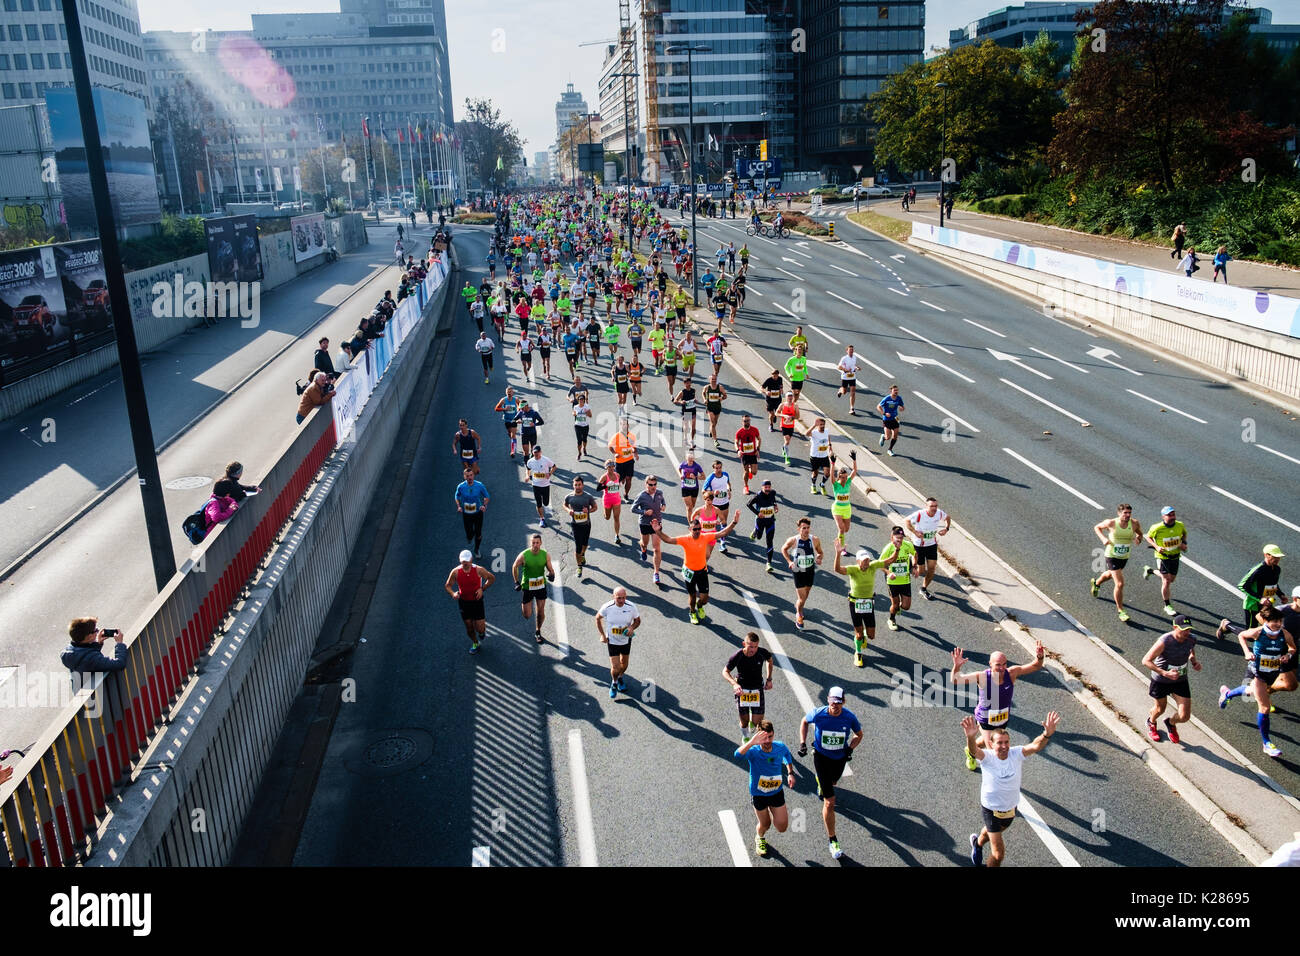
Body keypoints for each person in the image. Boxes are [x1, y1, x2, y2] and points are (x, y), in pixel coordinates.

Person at [964, 711, 1060, 867]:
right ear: (991, 744)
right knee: (998, 854)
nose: (1004, 746)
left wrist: (1046, 734)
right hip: (991, 809)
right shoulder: (987, 757)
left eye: (1006, 742)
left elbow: (1035, 745)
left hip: (1011, 807)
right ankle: (981, 848)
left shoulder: (1016, 753)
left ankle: (978, 844)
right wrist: (970, 737)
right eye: (999, 743)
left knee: (990, 833)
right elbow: (974, 751)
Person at [952, 642, 1045, 770]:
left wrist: (1040, 656)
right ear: (990, 665)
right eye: (998, 665)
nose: (1002, 668)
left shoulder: (1012, 673)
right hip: (985, 719)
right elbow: (956, 680)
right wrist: (956, 667)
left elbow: (1036, 666)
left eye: (1004, 664)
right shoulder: (983, 677)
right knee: (993, 751)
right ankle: (999, 777)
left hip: (1002, 719)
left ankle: (970, 749)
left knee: (985, 741)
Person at [1219, 605, 1297, 757]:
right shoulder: (1258, 632)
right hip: (1258, 672)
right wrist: (1247, 652)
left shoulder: (1284, 634)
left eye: (1279, 621)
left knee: (1250, 692)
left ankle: (1227, 693)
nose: (1277, 624)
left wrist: (1287, 656)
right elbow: (1241, 635)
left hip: (1273, 672)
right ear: (1266, 621)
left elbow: (1292, 648)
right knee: (1265, 707)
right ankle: (1266, 743)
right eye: (1274, 621)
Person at [797, 687, 863, 861]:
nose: (835, 705)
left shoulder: (849, 717)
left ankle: (822, 782)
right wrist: (803, 743)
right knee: (830, 802)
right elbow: (804, 721)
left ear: (843, 701)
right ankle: (833, 841)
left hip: (839, 759)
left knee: (833, 783)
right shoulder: (819, 714)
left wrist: (850, 748)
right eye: (832, 701)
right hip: (821, 757)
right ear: (828, 700)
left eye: (838, 701)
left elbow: (859, 734)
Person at [652, 513, 740, 624]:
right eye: (695, 529)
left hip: (702, 572)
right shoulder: (685, 539)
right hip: (690, 572)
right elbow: (668, 539)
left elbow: (723, 532)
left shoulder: (705, 537)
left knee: (705, 599)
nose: (697, 531)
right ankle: (692, 612)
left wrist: (734, 522)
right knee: (692, 596)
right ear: (690, 529)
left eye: (699, 529)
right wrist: (658, 531)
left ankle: (699, 606)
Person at [735, 720, 796, 858]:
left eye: (770, 736)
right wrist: (751, 742)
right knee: (765, 824)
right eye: (764, 737)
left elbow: (787, 755)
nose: (768, 740)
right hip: (759, 794)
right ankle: (760, 837)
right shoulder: (753, 751)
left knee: (782, 827)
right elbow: (737, 755)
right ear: (758, 736)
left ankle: (773, 811)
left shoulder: (779, 747)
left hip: (776, 792)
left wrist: (790, 773)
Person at [1140, 615, 1200, 744]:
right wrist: (1165, 673)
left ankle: (1170, 723)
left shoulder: (1191, 639)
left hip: (1180, 680)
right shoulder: (1165, 641)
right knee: (1160, 709)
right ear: (1174, 627)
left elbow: (1191, 651)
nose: (1186, 632)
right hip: (1161, 681)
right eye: (1183, 629)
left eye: (1189, 629)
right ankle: (1151, 722)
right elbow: (1145, 660)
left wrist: (1194, 661)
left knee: (1184, 716)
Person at [1218, 544, 1287, 637]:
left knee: (1271, 627)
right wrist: (1260, 599)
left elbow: (1273, 584)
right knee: (1250, 635)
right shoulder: (1258, 570)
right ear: (1266, 555)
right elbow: (1242, 585)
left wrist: (1281, 595)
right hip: (1252, 605)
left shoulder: (1277, 569)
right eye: (1274, 557)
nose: (1277, 559)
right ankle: (1227, 625)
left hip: (1267, 604)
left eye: (1278, 557)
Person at [1090, 503, 1143, 623]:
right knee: (1119, 583)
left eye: (1129, 513)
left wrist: (1138, 539)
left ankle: (1097, 583)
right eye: (1125, 513)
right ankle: (1121, 611)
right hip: (1111, 555)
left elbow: (1140, 534)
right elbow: (1097, 527)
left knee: (1110, 574)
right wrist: (1103, 538)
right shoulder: (1111, 523)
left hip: (1124, 556)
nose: (1128, 515)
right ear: (1119, 513)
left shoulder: (1134, 523)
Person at [724, 631, 775, 742]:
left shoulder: (761, 653)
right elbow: (725, 671)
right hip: (742, 691)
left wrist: (769, 679)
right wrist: (735, 684)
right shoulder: (738, 656)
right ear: (744, 644)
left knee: (757, 723)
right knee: (745, 722)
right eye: (751, 646)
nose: (753, 649)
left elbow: (769, 660)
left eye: (756, 646)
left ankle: (753, 718)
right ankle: (746, 736)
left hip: (757, 690)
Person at [444, 551, 496, 654]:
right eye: (463, 561)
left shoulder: (479, 570)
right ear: (460, 561)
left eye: (467, 561)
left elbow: (491, 578)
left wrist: (482, 589)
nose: (465, 563)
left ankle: (482, 632)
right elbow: (448, 585)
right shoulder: (456, 572)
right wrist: (453, 594)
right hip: (464, 602)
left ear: (471, 560)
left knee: (480, 629)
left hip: (477, 602)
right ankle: (475, 643)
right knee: (469, 627)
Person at [596, 587, 642, 699]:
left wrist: (632, 627)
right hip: (612, 640)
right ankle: (614, 682)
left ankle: (620, 677)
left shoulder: (631, 606)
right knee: (615, 667)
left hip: (626, 640)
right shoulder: (607, 607)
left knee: (624, 664)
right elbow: (597, 618)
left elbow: (638, 621)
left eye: (623, 598)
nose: (621, 601)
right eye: (618, 598)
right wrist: (602, 635)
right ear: (613, 597)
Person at [1142, 505, 1187, 617]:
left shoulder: (1180, 525)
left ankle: (1150, 571)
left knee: (1171, 579)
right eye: (1169, 515)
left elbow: (1184, 534)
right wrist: (1156, 547)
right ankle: (1167, 605)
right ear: (1163, 517)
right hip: (1163, 557)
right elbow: (1147, 537)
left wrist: (1184, 543)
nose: (1172, 517)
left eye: (1173, 514)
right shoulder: (1157, 527)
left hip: (1175, 556)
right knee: (1166, 581)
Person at [512, 534, 556, 644]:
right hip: (527, 587)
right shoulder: (524, 555)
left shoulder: (545, 555)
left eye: (537, 542)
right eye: (533, 543)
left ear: (540, 543)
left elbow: (550, 568)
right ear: (530, 543)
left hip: (541, 586)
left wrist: (552, 574)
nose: (535, 545)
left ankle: (538, 631)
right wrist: (516, 582)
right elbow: (514, 566)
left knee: (540, 611)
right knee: (527, 615)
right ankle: (528, 608)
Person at [781, 518, 824, 629]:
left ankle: (800, 606)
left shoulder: (814, 540)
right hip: (798, 571)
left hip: (810, 570)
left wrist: (819, 558)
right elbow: (783, 549)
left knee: (806, 595)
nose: (806, 530)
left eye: (808, 528)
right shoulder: (793, 540)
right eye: (804, 528)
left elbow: (820, 552)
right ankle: (799, 614)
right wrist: (789, 561)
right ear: (799, 529)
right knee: (801, 598)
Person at [904, 497, 950, 599]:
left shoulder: (939, 513)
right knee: (920, 571)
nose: (934, 508)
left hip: (931, 545)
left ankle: (923, 588)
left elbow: (948, 518)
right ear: (926, 506)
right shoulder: (920, 514)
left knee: (932, 568)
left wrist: (946, 529)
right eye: (931, 506)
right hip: (919, 545)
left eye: (935, 506)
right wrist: (915, 532)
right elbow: (907, 521)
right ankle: (910, 561)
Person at [878, 525, 918, 631]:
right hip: (892, 581)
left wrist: (914, 566)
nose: (900, 540)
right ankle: (891, 619)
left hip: (905, 580)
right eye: (897, 538)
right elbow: (879, 564)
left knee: (906, 606)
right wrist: (888, 572)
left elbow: (915, 554)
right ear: (892, 537)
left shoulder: (908, 545)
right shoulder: (888, 548)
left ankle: (897, 608)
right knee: (895, 605)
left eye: (901, 537)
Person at [631, 476, 668, 584]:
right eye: (650, 485)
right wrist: (644, 512)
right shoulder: (641, 496)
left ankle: (656, 573)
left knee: (656, 548)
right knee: (644, 543)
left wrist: (664, 506)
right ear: (646, 484)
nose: (653, 487)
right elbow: (633, 509)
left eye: (655, 484)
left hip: (657, 523)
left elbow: (663, 501)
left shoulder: (659, 493)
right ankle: (643, 548)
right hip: (645, 523)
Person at [61, 617, 128, 674]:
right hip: (99, 689)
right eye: (96, 630)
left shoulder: (68, 651)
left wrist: (98, 644)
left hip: (81, 687)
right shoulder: (91, 659)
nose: (97, 632)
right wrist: (119, 643)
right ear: (90, 636)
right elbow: (119, 664)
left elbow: (84, 654)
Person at [564, 476, 599, 575]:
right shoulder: (569, 497)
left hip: (586, 524)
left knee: (585, 544)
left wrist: (588, 511)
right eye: (575, 485)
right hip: (575, 525)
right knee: (578, 547)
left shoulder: (588, 497)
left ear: (583, 485)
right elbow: (564, 505)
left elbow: (595, 507)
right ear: (573, 485)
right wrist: (568, 510)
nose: (577, 487)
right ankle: (579, 566)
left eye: (579, 485)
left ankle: (582, 554)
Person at [454, 467, 489, 557]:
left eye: (471, 475)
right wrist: (458, 506)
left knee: (478, 533)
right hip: (466, 514)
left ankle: (476, 549)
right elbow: (457, 497)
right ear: (464, 477)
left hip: (478, 513)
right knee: (469, 534)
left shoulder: (479, 485)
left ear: (473, 475)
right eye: (467, 476)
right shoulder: (461, 487)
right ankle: (469, 537)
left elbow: (487, 496)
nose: (470, 477)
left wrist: (484, 506)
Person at [702, 461, 734, 554]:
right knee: (713, 524)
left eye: (720, 467)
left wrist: (729, 490)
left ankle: (723, 543)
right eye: (716, 468)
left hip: (724, 502)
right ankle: (707, 539)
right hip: (714, 504)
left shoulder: (725, 475)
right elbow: (703, 491)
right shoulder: (711, 477)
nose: (718, 470)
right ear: (713, 468)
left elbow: (728, 483)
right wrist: (712, 492)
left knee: (724, 522)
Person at [829, 454, 858, 555]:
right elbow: (831, 476)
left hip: (847, 509)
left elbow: (854, 471)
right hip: (837, 509)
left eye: (846, 477)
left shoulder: (849, 482)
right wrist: (833, 464)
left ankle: (840, 538)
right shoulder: (836, 485)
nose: (845, 479)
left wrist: (854, 460)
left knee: (846, 529)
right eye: (843, 477)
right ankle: (841, 548)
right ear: (839, 477)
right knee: (841, 529)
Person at [524, 445, 557, 529]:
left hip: (545, 485)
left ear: (540, 452)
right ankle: (542, 519)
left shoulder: (546, 460)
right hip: (536, 485)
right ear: (533, 453)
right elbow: (528, 469)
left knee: (545, 503)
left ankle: (544, 507)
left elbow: (554, 466)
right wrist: (527, 476)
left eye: (537, 452)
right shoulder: (530, 461)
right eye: (534, 453)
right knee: (539, 503)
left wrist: (549, 473)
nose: (536, 454)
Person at [608, 419, 638, 502]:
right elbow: (610, 446)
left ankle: (626, 494)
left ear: (628, 425)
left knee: (629, 478)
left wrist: (636, 453)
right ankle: (614, 494)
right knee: (618, 480)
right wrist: (615, 453)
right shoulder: (616, 436)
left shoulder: (631, 436)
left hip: (629, 461)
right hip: (620, 462)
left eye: (626, 424)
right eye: (623, 425)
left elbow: (634, 446)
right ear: (620, 426)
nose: (625, 426)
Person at [597, 460, 626, 545]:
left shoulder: (617, 475)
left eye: (612, 466)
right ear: (606, 468)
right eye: (609, 467)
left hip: (616, 499)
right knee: (607, 517)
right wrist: (606, 485)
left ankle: (617, 535)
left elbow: (618, 483)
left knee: (616, 518)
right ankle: (605, 513)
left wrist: (618, 484)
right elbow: (598, 489)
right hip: (607, 500)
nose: (611, 468)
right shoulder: (604, 477)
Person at [734, 414, 762, 495]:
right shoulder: (739, 432)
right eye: (745, 421)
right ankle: (746, 486)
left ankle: (750, 470)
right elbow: (736, 442)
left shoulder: (754, 430)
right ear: (742, 422)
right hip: (744, 454)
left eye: (748, 420)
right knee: (746, 471)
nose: (747, 422)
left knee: (754, 472)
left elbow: (759, 439)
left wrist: (757, 449)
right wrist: (738, 450)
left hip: (753, 453)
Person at [876, 384, 904, 456]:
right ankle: (883, 437)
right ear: (891, 391)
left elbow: (902, 406)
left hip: (895, 418)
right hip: (887, 419)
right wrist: (884, 413)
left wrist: (901, 408)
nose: (896, 392)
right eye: (894, 390)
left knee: (895, 435)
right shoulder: (886, 398)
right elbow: (878, 407)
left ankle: (890, 449)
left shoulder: (899, 398)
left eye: (897, 390)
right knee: (888, 437)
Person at [701, 374, 728, 447]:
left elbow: (725, 396)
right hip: (710, 408)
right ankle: (715, 440)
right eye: (712, 379)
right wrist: (704, 399)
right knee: (713, 423)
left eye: (715, 379)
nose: (713, 380)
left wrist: (721, 398)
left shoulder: (720, 387)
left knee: (715, 422)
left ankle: (711, 431)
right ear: (709, 380)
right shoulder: (706, 387)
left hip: (717, 407)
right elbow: (703, 393)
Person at [494, 386, 520, 457]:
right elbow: (496, 408)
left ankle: (512, 451)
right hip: (507, 420)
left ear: (513, 393)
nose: (509, 393)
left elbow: (520, 406)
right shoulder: (503, 400)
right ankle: (513, 443)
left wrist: (518, 410)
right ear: (506, 393)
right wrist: (504, 409)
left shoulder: (516, 399)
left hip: (514, 419)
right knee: (510, 434)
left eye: (510, 392)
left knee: (513, 435)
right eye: (508, 392)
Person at [836, 345, 861, 415]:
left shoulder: (854, 357)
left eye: (852, 350)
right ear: (847, 351)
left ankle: (852, 408)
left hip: (852, 376)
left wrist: (856, 368)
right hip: (845, 377)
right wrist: (845, 370)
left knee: (853, 392)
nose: (851, 351)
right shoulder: (844, 358)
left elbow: (853, 365)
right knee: (844, 392)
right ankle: (840, 390)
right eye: (850, 350)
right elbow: (839, 367)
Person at [777, 391, 800, 464]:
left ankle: (784, 447)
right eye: (788, 396)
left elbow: (798, 416)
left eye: (791, 396)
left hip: (791, 426)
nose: (790, 398)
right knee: (787, 441)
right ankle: (787, 458)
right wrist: (784, 416)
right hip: (784, 425)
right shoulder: (782, 405)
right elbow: (776, 413)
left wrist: (792, 417)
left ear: (792, 397)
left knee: (787, 442)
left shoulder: (795, 405)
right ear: (786, 397)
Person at [761, 368, 783, 432]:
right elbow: (762, 388)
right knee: (771, 413)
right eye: (773, 375)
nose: (775, 377)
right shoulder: (768, 380)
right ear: (771, 375)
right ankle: (771, 425)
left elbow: (781, 385)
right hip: (770, 399)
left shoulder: (780, 379)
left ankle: (777, 419)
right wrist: (766, 392)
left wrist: (781, 389)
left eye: (776, 375)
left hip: (778, 398)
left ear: (778, 375)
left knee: (778, 412)